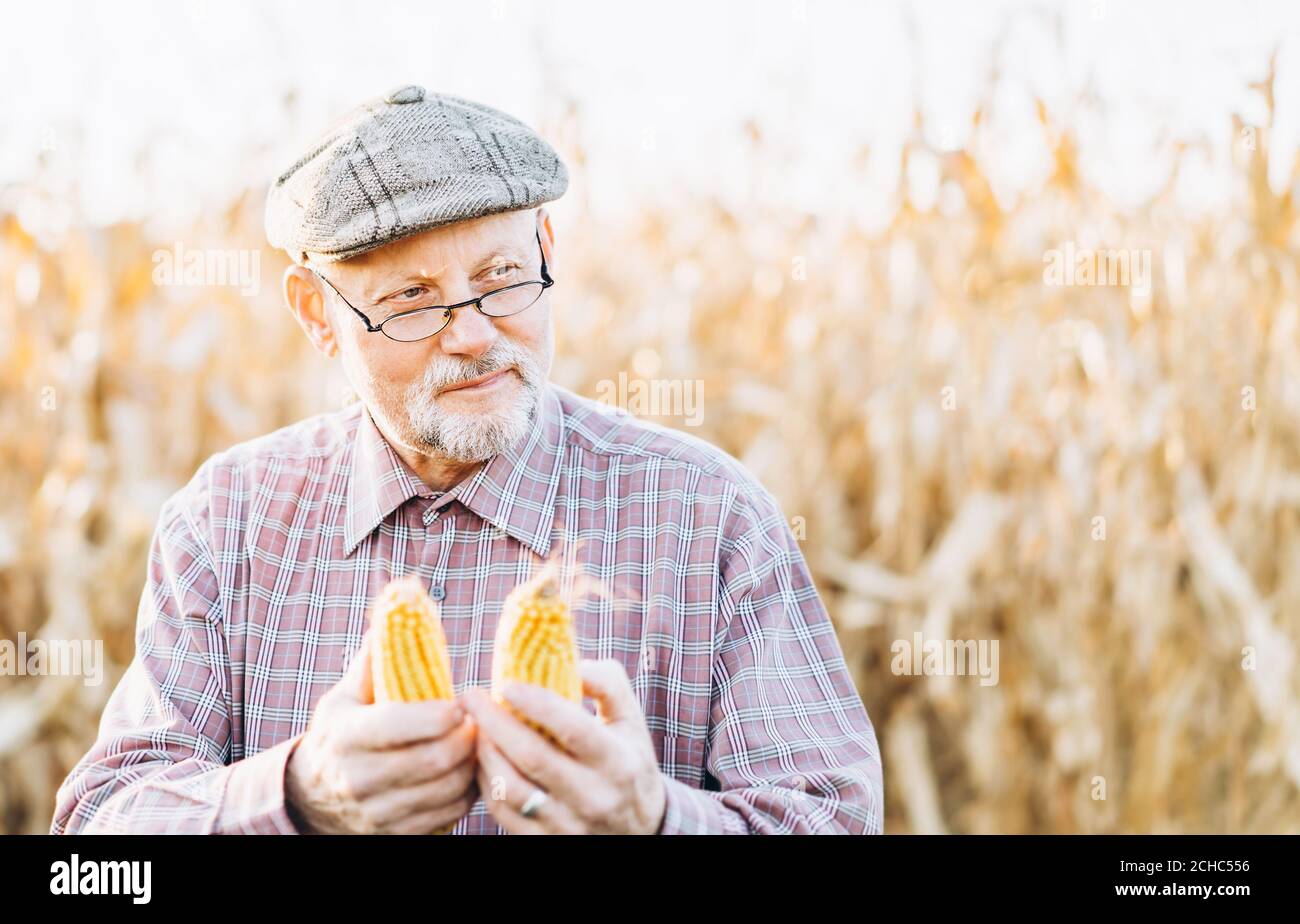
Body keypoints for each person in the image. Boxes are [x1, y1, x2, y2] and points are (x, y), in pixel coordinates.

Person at [51, 85, 882, 834]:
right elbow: (94, 853)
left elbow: (831, 821)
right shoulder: (223, 522)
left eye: (503, 276)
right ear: (315, 313)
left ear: (547, 246)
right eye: (411, 301)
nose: (476, 334)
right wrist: (296, 795)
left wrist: (659, 819)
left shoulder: (710, 516)